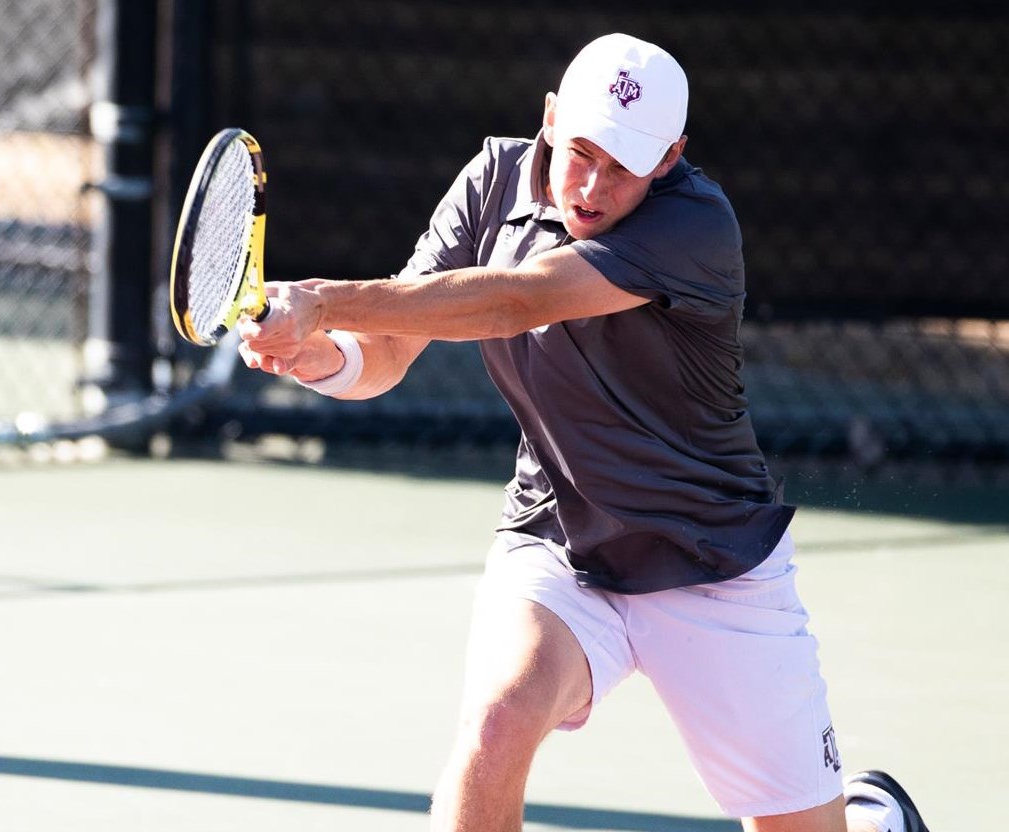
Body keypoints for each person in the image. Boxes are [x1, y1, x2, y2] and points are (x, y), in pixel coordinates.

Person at [236, 32, 930, 832]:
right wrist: (313, 353)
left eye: (624, 166)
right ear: (550, 118)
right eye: (581, 152)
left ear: (670, 158)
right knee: (497, 724)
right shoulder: (493, 181)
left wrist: (321, 300)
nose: (593, 186)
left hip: (710, 559)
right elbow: (387, 353)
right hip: (557, 540)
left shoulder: (696, 227)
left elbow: (520, 300)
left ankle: (872, 820)